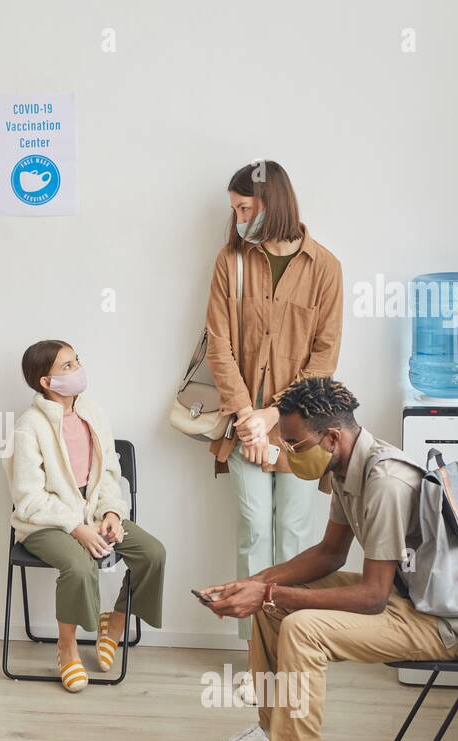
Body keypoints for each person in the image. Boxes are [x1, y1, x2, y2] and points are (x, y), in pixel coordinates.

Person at [195, 377, 458, 741]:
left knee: (302, 628)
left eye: (294, 442)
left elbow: (372, 597)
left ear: (332, 437)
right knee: (272, 605)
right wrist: (256, 583)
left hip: (440, 622)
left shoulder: (383, 481)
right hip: (411, 595)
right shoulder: (348, 465)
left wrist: (269, 594)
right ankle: (273, 734)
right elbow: (329, 554)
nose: (286, 451)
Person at [202, 160, 344, 641]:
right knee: (255, 533)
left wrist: (272, 415)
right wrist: (249, 418)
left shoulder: (325, 268)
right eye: (235, 210)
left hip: (303, 428)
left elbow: (324, 359)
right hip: (242, 424)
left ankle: (294, 644)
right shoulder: (231, 262)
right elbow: (217, 344)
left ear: (272, 202)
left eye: (245, 207)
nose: (240, 219)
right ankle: (256, 652)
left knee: (296, 539)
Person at [7, 340, 166, 693]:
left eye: (76, 361)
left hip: (93, 511)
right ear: (45, 381)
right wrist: (77, 528)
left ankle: (116, 623)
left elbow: (109, 471)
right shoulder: (28, 426)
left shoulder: (93, 412)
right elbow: (28, 498)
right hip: (45, 522)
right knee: (79, 565)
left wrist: (111, 511)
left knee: (152, 553)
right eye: (67, 366)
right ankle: (66, 649)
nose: (77, 369)